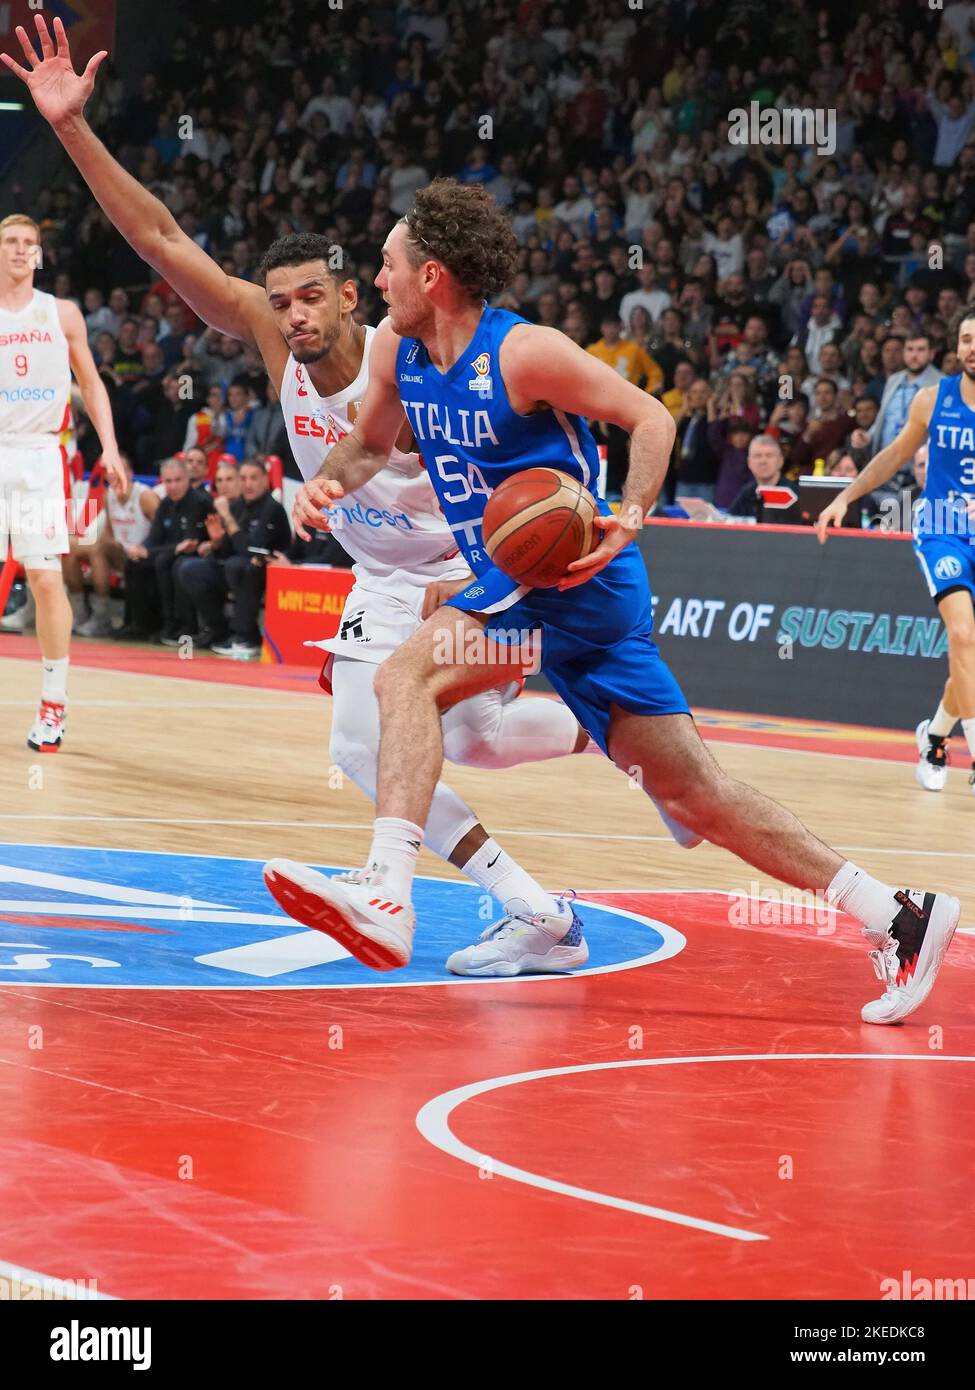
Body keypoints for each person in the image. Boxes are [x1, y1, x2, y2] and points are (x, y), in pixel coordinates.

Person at [6, 17, 697, 966]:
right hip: (380, 575)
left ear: (350, 298)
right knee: (451, 743)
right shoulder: (262, 330)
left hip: (470, 563)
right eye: (277, 298)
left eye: (307, 297)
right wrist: (71, 128)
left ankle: (487, 885)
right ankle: (577, 850)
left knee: (400, 740)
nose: (288, 313)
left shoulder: (398, 353)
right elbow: (160, 237)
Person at [270, 177, 959, 1024]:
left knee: (699, 794)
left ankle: (898, 916)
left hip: (579, 581)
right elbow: (368, 445)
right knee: (405, 679)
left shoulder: (521, 353)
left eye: (386, 267)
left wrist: (628, 517)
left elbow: (649, 418)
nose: (376, 282)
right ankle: (392, 888)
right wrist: (326, 487)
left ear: (433, 277)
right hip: (511, 585)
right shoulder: (396, 354)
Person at [819, 307, 975, 802]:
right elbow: (895, 455)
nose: (973, 346)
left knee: (969, 657)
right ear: (957, 345)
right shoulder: (934, 399)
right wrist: (846, 495)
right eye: (967, 338)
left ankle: (934, 736)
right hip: (943, 529)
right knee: (963, 633)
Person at [0, 210, 122, 750]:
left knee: (46, 577)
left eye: (29, 242)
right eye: (11, 241)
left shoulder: (63, 313)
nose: (22, 249)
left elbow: (92, 386)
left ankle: (54, 703)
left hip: (40, 458)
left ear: (40, 253)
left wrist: (112, 449)